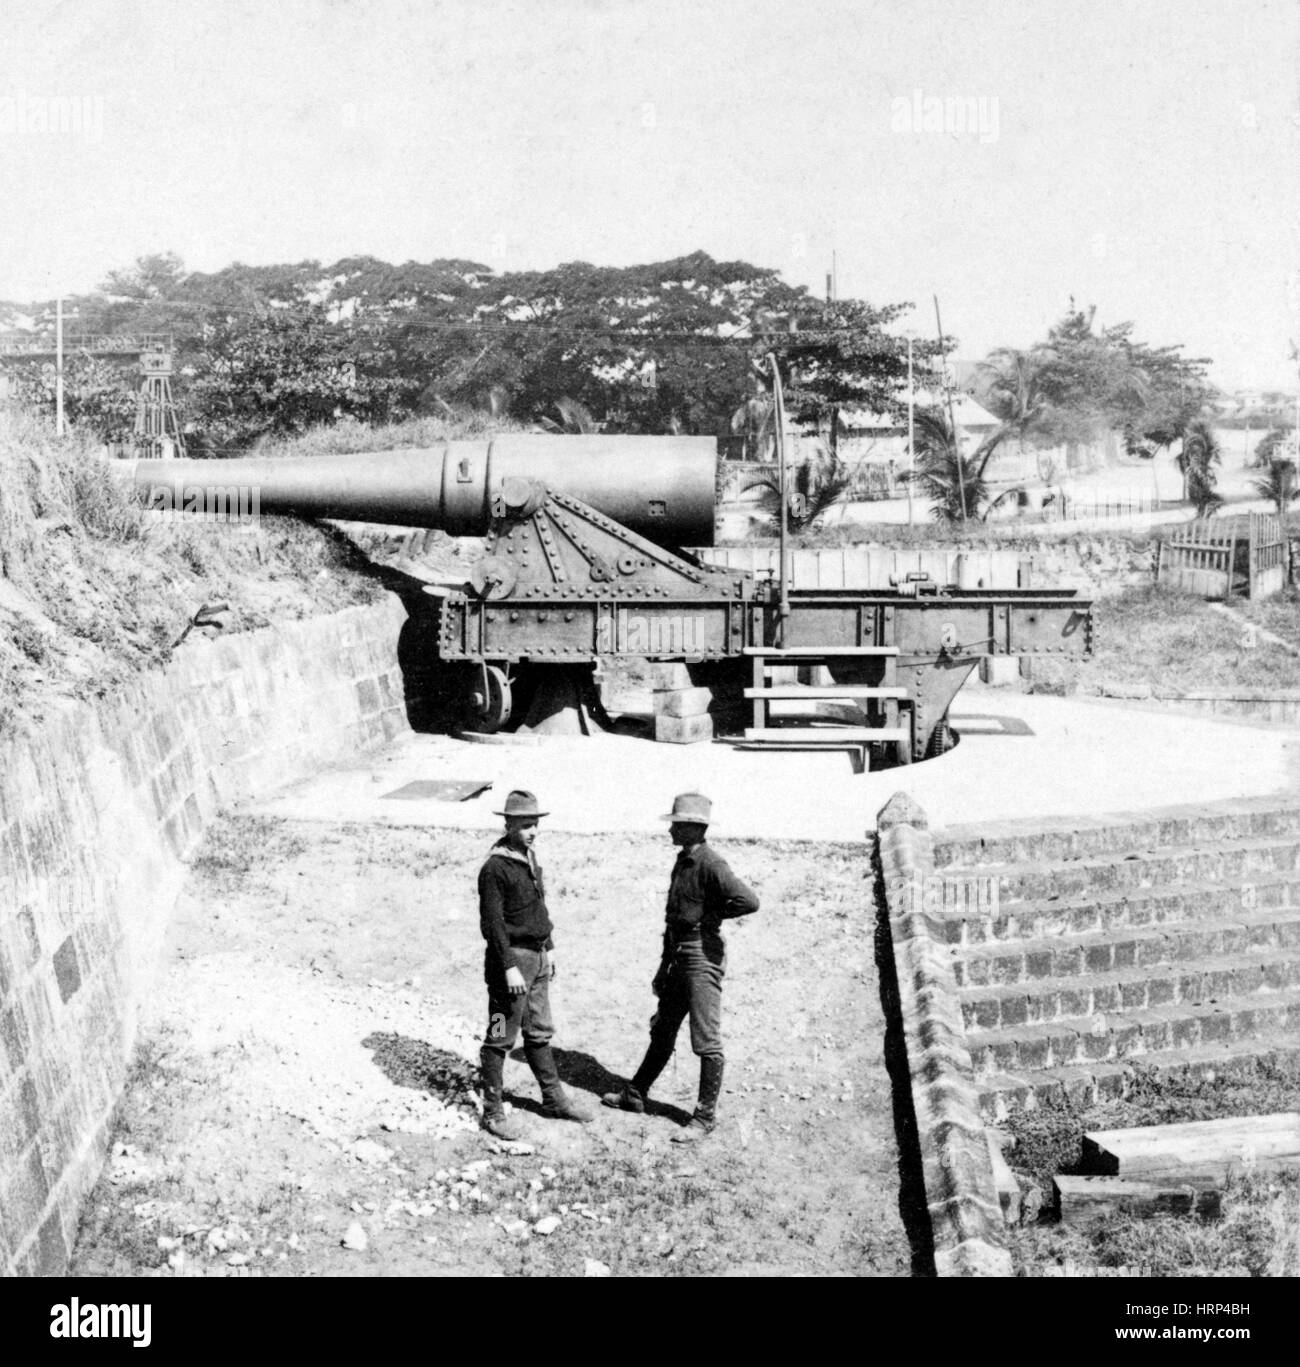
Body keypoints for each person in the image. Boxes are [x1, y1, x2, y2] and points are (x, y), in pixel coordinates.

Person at [602, 792, 759, 1142]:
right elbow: (672, 920)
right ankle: (635, 1094)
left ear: (693, 827)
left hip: (702, 957)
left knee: (705, 1039)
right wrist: (662, 966)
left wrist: (712, 916)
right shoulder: (682, 861)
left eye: (677, 824)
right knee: (664, 1027)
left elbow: (749, 901)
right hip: (678, 954)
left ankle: (704, 1118)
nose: (670, 829)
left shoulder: (711, 864)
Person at [478, 789, 591, 1140]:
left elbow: (538, 910)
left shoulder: (528, 857)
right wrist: (509, 966)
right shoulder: (495, 867)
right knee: (499, 1035)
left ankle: (553, 1099)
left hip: (538, 959)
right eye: (526, 825)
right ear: (508, 824)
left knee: (539, 1031)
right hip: (508, 968)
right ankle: (493, 1111)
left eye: (535, 824)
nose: (533, 831)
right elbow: (492, 925)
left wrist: (550, 947)